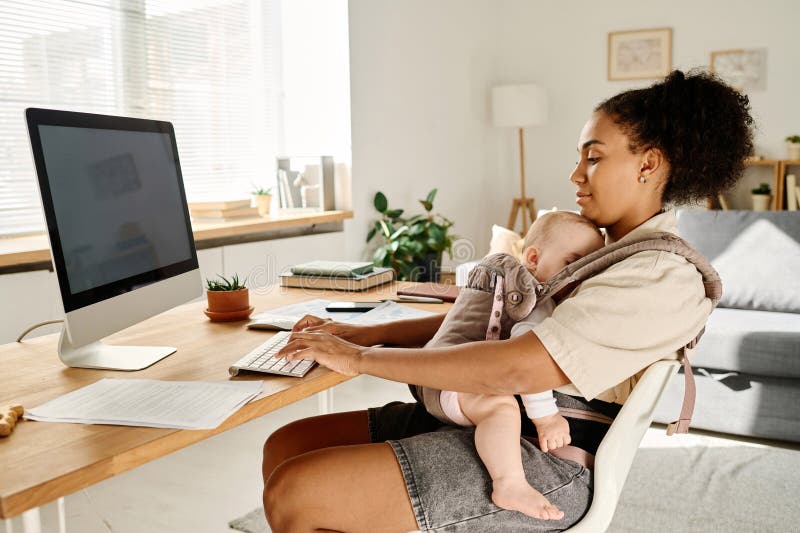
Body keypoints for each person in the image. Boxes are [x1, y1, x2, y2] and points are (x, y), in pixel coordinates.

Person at [262, 69, 754, 532]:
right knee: (287, 445)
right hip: (495, 417)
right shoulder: (606, 252)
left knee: (297, 491)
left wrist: (361, 359)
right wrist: (367, 333)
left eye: (594, 157)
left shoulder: (656, 274)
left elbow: (517, 366)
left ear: (648, 163)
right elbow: (493, 326)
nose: (575, 175)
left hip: (541, 457)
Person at [419, 211, 605, 521]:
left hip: (435, 371)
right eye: (572, 264)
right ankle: (510, 484)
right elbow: (525, 361)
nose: (578, 278)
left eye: (589, 270)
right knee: (501, 407)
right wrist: (546, 417)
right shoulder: (536, 296)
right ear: (533, 258)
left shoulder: (506, 282)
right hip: (450, 380)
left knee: (499, 409)